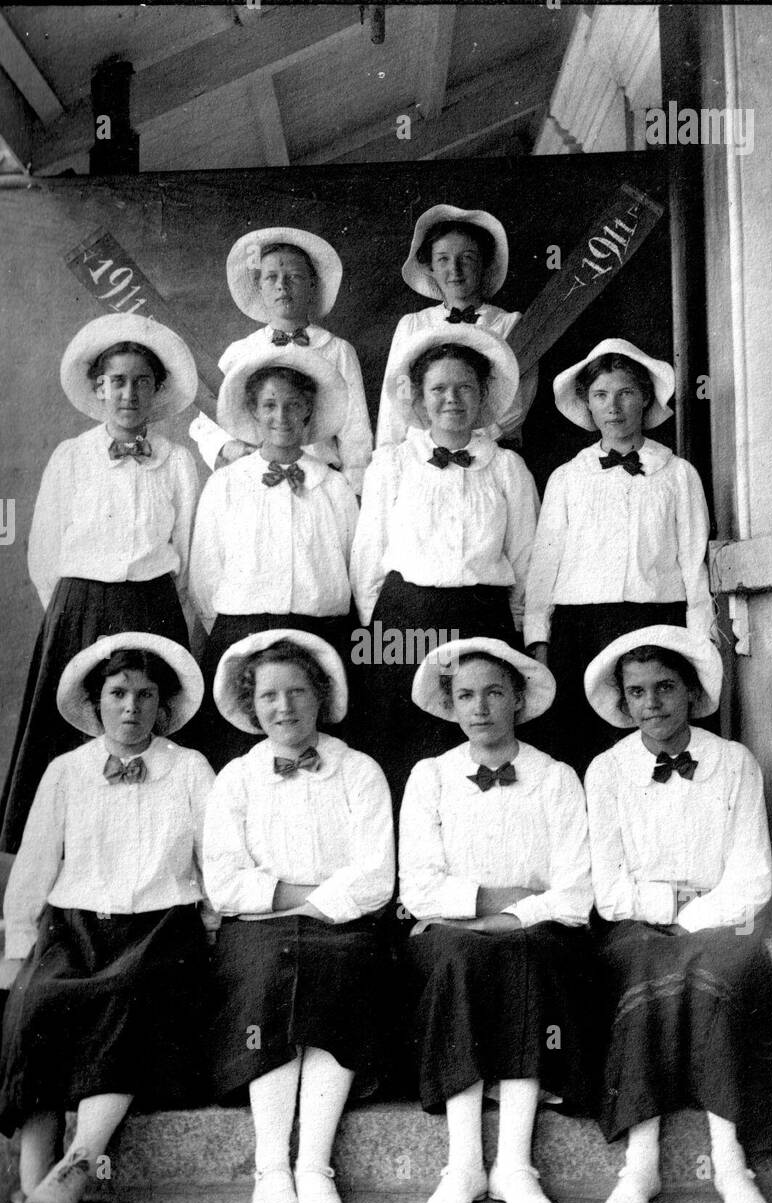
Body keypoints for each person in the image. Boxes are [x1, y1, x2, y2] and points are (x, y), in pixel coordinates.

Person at [0, 633, 213, 1203]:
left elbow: (216, 861)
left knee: (124, 998)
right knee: (37, 1007)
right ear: (96, 704)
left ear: (162, 706)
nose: (131, 708)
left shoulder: (189, 768)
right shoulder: (66, 771)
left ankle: (79, 1162)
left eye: (146, 696)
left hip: (160, 929)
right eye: (118, 694)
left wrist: (218, 927)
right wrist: (16, 951)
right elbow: (36, 867)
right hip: (75, 926)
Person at [583, 625, 772, 1203]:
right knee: (644, 970)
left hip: (721, 921)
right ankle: (641, 1161)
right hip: (638, 927)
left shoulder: (734, 764)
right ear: (623, 701)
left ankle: (731, 1162)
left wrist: (695, 916)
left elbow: (753, 877)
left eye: (664, 687)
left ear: (690, 691)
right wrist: (671, 909)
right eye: (636, 692)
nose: (651, 704)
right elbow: (610, 889)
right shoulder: (605, 771)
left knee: (719, 973)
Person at [399, 638, 595, 1203]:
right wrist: (498, 901)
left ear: (518, 701)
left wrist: (504, 917)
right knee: (460, 954)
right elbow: (419, 887)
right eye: (465, 695)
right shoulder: (430, 777)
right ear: (452, 706)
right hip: (449, 939)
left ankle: (514, 1164)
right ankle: (463, 1164)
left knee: (525, 951)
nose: (479, 707)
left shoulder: (556, 778)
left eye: (493, 693)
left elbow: (575, 890)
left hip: (534, 936)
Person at [203, 630, 394, 1203]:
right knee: (271, 966)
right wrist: (307, 896)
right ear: (250, 704)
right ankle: (271, 1167)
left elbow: (375, 879)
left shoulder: (358, 771)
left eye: (296, 693)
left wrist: (298, 902)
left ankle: (313, 1165)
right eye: (268, 697)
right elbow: (226, 884)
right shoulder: (236, 778)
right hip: (258, 933)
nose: (283, 708)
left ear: (320, 697)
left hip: (343, 929)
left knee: (332, 965)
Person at [0, 312, 200, 854]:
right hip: (80, 610)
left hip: (154, 609)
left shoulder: (178, 461)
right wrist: (73, 615)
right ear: (98, 388)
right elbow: (44, 554)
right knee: (74, 740)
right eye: (117, 381)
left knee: (150, 739)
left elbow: (188, 551)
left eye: (141, 381)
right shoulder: (70, 456)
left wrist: (175, 617)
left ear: (157, 390)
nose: (128, 392)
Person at [350, 324, 538, 807]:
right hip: (403, 620)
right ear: (419, 396)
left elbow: (524, 562)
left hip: (481, 617)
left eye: (464, 387)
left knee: (477, 743)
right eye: (438, 388)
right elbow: (368, 562)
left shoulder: (506, 468)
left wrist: (511, 628)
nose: (451, 399)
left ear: (483, 395)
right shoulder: (390, 464)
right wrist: (382, 635)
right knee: (400, 743)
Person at [524, 338, 714, 777]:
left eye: (626, 392)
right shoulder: (568, 478)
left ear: (645, 397)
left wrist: (699, 639)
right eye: (601, 395)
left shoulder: (677, 474)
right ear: (588, 404)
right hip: (580, 632)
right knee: (583, 748)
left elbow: (693, 564)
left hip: (655, 625)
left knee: (652, 751)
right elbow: (543, 570)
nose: (614, 407)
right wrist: (540, 640)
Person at [188, 346, 358, 769]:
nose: (281, 416)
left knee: (320, 761)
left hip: (320, 636)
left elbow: (354, 564)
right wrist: (235, 629)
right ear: (253, 411)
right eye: (269, 405)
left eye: (293, 405)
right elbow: (205, 580)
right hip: (242, 636)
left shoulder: (333, 487)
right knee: (239, 761)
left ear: (308, 411)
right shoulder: (226, 484)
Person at [188, 227, 372, 495]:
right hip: (256, 485)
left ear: (312, 284)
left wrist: (353, 492)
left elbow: (356, 434)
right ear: (259, 287)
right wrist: (231, 448)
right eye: (271, 277)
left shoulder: (337, 350)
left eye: (294, 277)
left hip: (319, 484)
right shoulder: (241, 351)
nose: (282, 286)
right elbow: (205, 423)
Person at [375, 204, 537, 449]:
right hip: (420, 454)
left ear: (484, 263)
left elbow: (515, 402)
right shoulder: (413, 325)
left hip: (488, 451)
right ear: (430, 266)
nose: (455, 270)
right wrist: (390, 453)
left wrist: (460, 440)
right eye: (443, 259)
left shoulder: (510, 325)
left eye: (467, 258)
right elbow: (397, 397)